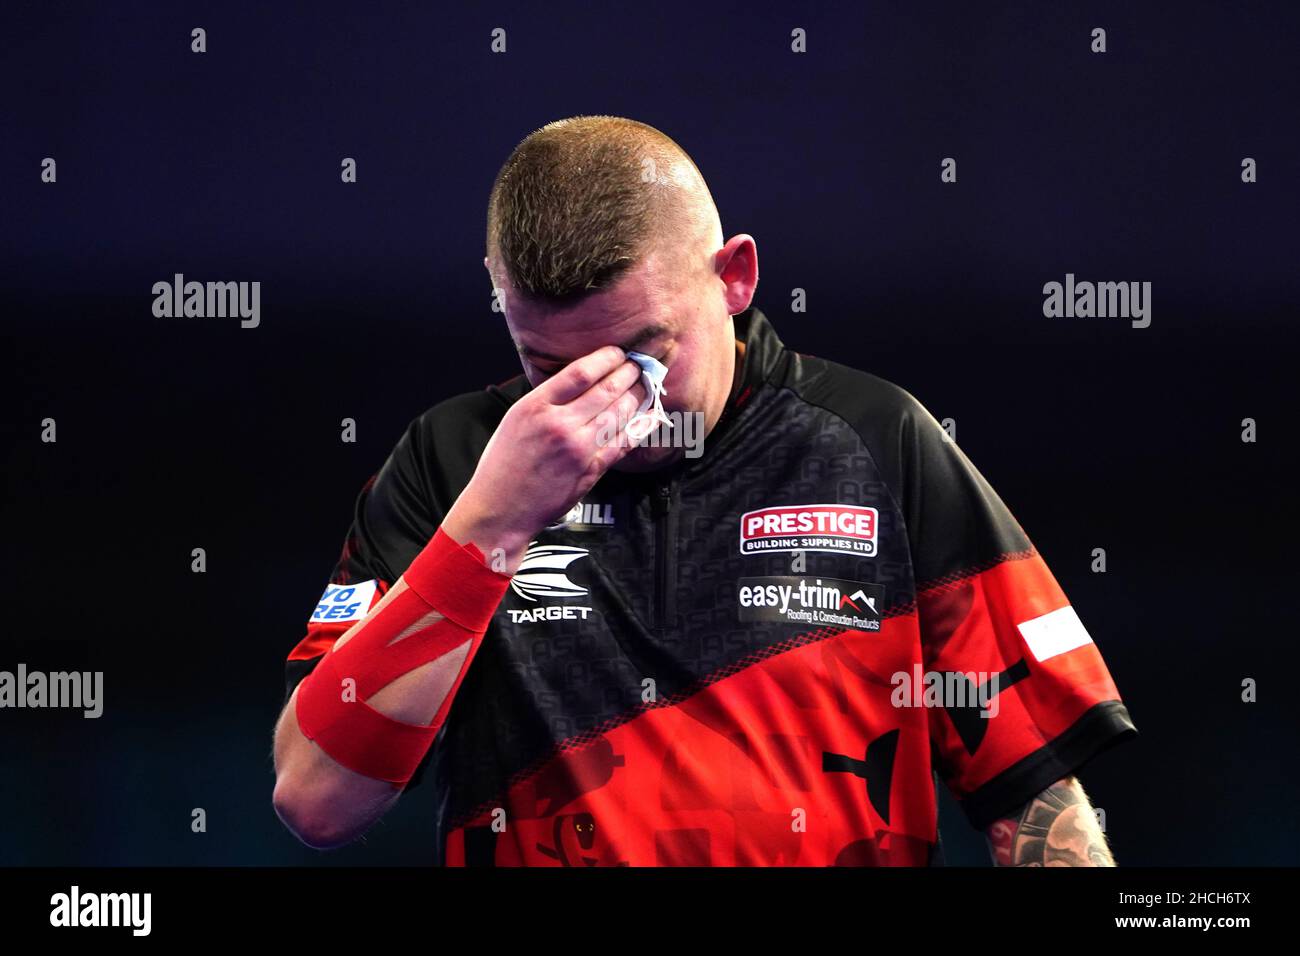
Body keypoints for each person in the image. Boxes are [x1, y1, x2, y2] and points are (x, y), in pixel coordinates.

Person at [271, 115, 1137, 866]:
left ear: (734, 277)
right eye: (550, 368)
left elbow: (1031, 800)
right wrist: (491, 525)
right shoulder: (452, 462)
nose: (615, 406)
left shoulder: (880, 440)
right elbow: (318, 800)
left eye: (646, 354)